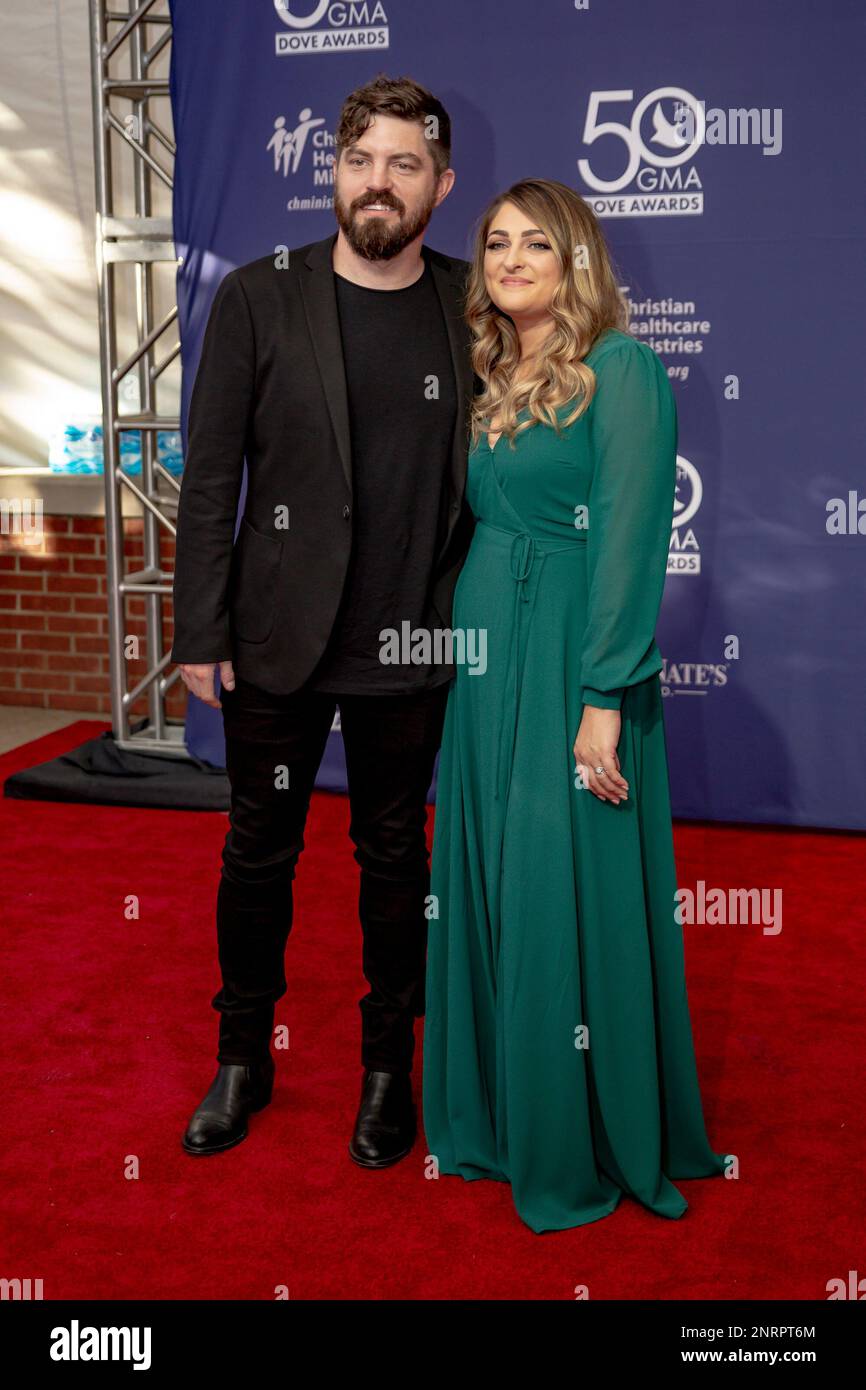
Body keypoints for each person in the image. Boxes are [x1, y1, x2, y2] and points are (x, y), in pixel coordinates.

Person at [171, 75, 474, 1165]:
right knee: (260, 852)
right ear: (331, 171)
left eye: (403, 164)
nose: (377, 183)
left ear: (439, 183)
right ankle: (242, 1057)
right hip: (274, 641)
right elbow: (210, 479)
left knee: (395, 861)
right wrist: (199, 631)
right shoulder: (260, 294)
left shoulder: (468, 302)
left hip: (409, 640)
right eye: (359, 161)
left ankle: (389, 1071)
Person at [422, 179, 728, 1232]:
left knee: (561, 883)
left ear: (576, 260)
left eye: (534, 244)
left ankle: (579, 1131)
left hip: (571, 656)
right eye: (495, 243)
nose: (508, 260)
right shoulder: (498, 370)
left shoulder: (622, 371)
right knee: (495, 876)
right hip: (486, 657)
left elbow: (631, 543)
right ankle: (498, 1120)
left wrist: (602, 694)